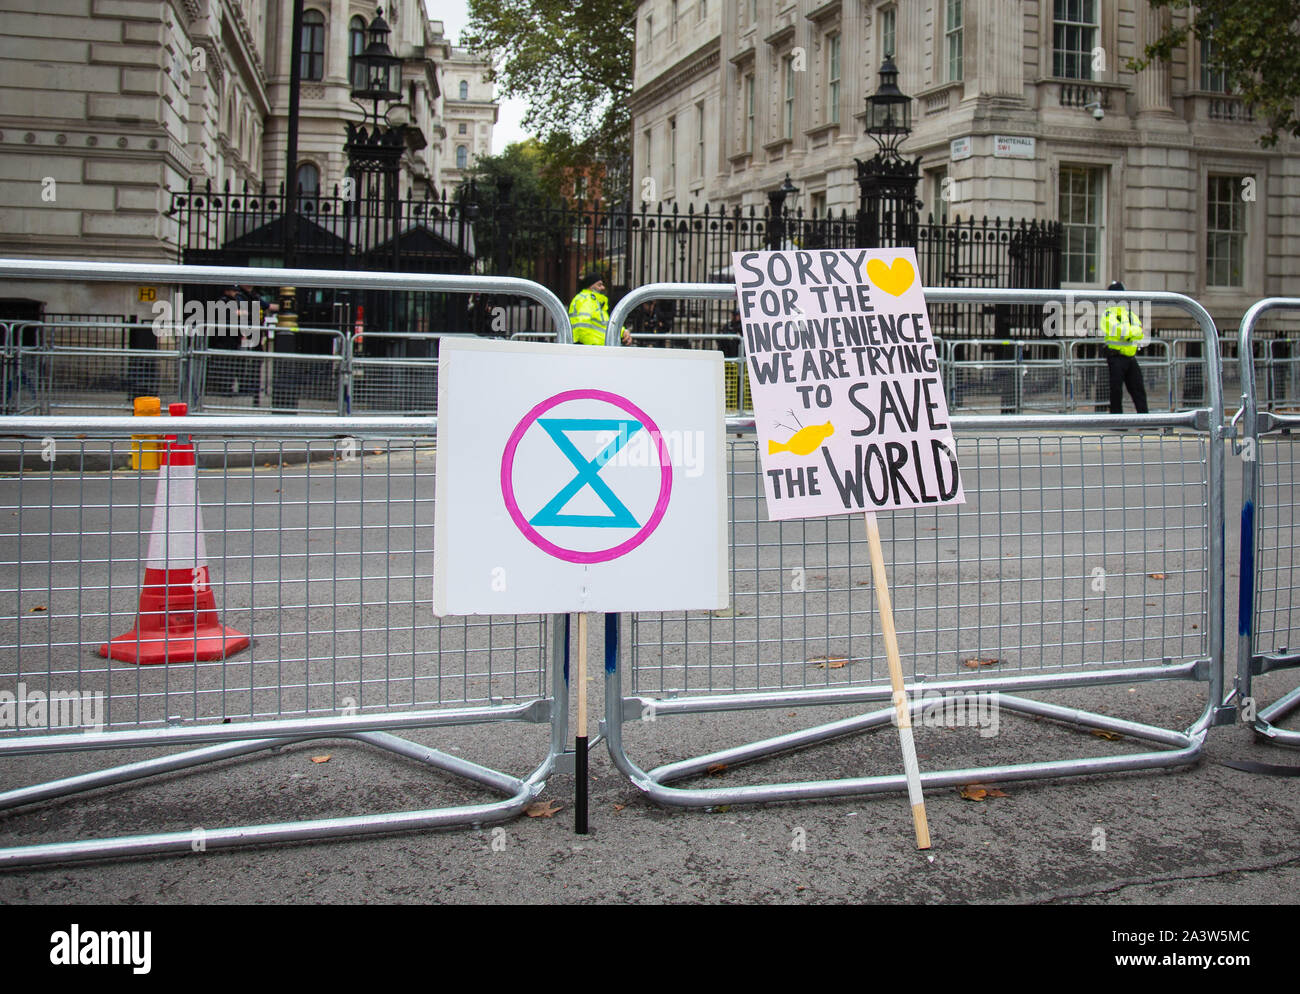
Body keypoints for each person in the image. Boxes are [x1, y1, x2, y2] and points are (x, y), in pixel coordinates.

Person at [1100, 280, 1148, 414]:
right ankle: (1117, 420)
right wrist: (1133, 332)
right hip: (1116, 357)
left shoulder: (1129, 313)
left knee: (1138, 389)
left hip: (1130, 357)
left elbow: (1140, 332)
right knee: (1116, 390)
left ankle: (1145, 419)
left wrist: (1131, 332)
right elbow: (1121, 331)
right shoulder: (1109, 314)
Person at [568, 272, 631, 346]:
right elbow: (582, 327)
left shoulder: (594, 301)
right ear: (590, 287)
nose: (603, 287)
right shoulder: (586, 299)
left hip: (597, 348)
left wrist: (623, 331)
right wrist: (593, 347)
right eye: (599, 285)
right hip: (594, 349)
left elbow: (604, 325)